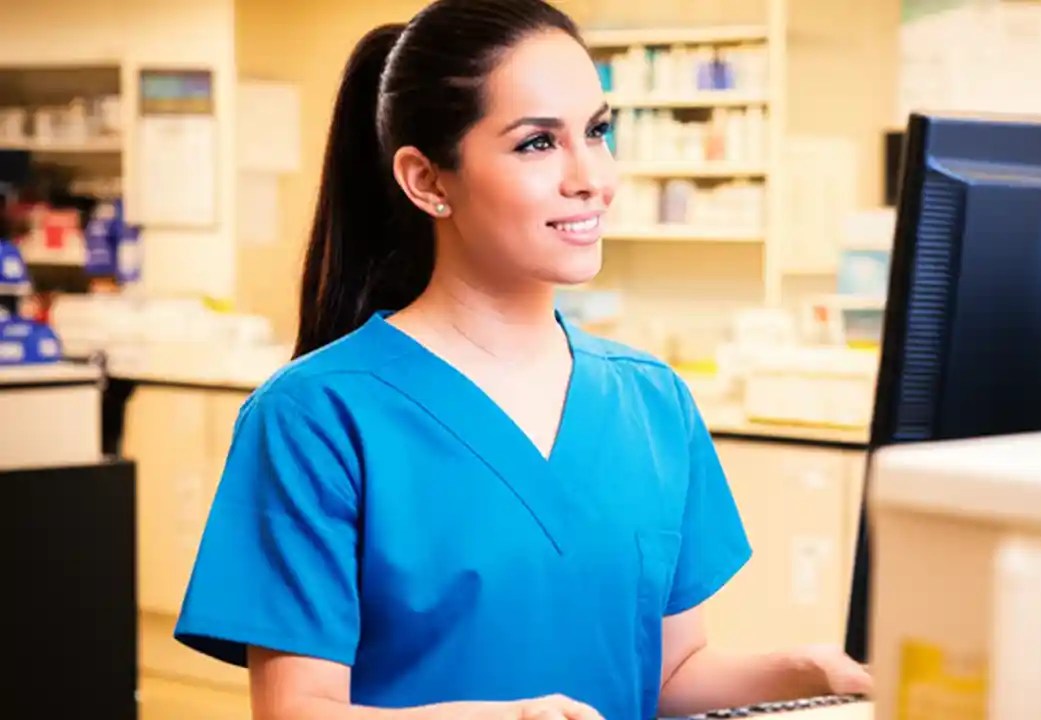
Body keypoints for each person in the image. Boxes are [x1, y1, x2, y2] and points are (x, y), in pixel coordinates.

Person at [173, 1, 872, 718]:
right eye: (538, 144)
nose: (590, 178)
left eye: (598, 132)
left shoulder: (653, 401)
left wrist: (808, 670)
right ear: (427, 181)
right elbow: (299, 712)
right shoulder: (315, 416)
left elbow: (666, 677)